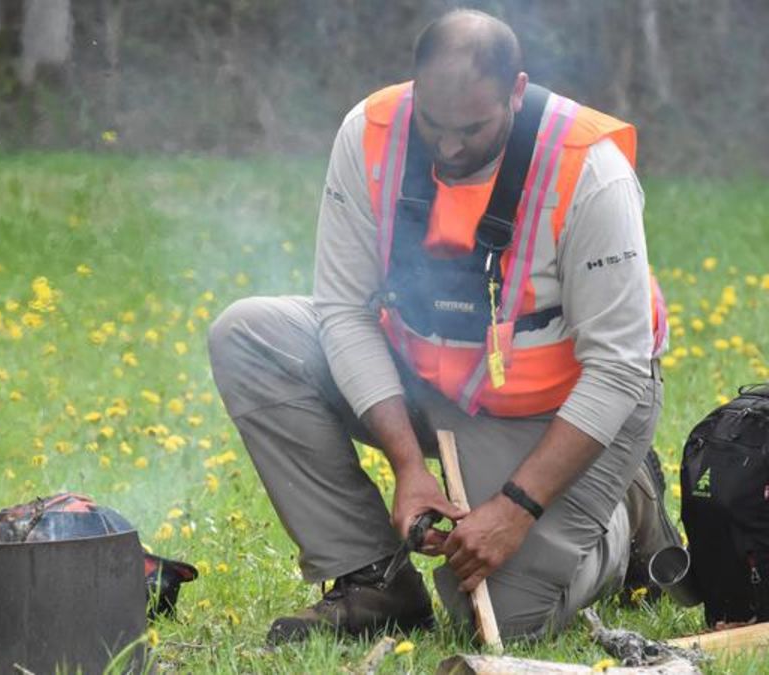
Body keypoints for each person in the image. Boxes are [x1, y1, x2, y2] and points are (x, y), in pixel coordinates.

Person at [208, 9, 681, 643]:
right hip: (432, 379)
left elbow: (618, 369)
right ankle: (374, 581)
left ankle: (620, 513)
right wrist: (408, 464)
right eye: (434, 124)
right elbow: (343, 311)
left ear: (516, 92)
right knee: (249, 335)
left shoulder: (590, 171)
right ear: (415, 88)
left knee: (497, 622)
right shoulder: (370, 132)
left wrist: (516, 509)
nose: (450, 147)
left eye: (473, 128)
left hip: (562, 407)